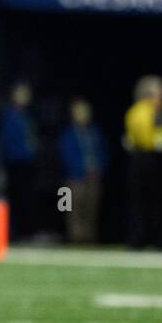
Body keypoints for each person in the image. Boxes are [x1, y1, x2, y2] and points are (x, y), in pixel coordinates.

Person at [123, 75, 162, 248]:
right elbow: (161, 139)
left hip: (135, 161)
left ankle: (137, 240)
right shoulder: (154, 112)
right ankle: (161, 240)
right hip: (154, 161)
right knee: (158, 203)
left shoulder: (132, 111)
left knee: (138, 203)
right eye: (160, 94)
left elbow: (128, 140)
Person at [57, 98, 106, 244]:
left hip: (94, 177)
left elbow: (103, 152)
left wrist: (99, 168)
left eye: (85, 111)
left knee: (91, 208)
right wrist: (79, 170)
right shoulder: (67, 135)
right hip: (74, 178)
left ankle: (89, 238)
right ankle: (74, 238)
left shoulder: (95, 133)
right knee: (71, 208)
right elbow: (65, 157)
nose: (82, 115)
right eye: (78, 112)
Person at [0, 82, 40, 241]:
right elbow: (7, 141)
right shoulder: (10, 115)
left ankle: (25, 231)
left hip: (27, 162)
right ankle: (14, 233)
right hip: (15, 163)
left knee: (26, 197)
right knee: (16, 197)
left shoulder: (27, 116)